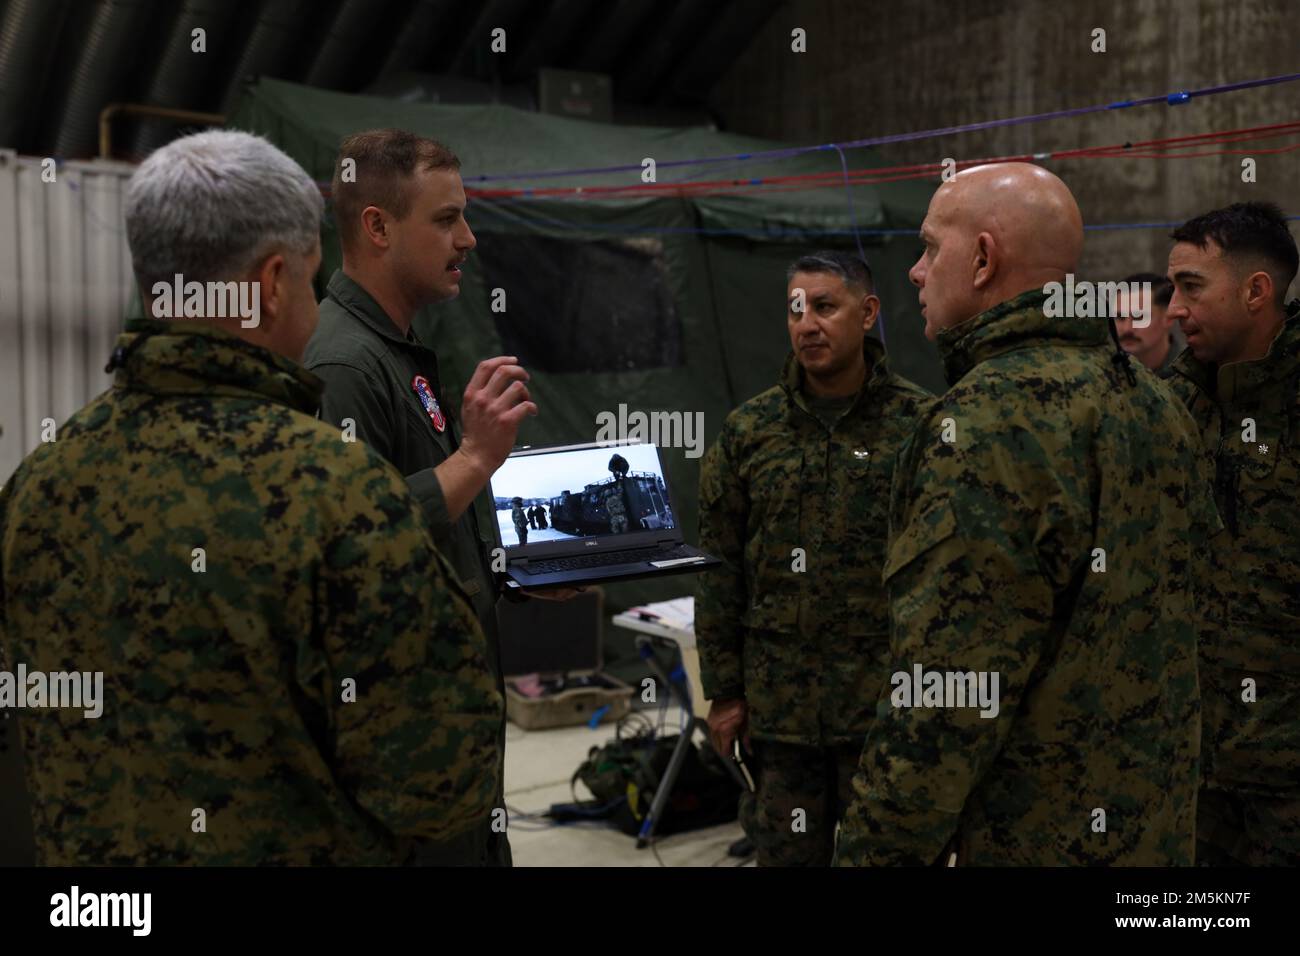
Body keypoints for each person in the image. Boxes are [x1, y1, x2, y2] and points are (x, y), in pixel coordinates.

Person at [0, 130, 502, 865]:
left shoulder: (35, 488)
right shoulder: (339, 493)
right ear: (272, 284)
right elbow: (438, 782)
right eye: (308, 278)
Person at [835, 163, 1216, 866]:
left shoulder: (980, 425)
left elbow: (943, 703)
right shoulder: (1158, 403)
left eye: (929, 249)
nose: (916, 273)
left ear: (982, 259)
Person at [304, 128, 570, 865]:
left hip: (448, 739)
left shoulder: (395, 352)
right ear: (379, 227)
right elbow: (352, 550)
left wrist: (508, 574)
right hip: (402, 753)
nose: (468, 237)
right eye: (446, 219)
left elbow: (423, 539)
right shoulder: (344, 363)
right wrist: (477, 456)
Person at [696, 250, 932, 865]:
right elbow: (720, 568)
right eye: (796, 310)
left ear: (868, 313)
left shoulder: (921, 425)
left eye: (825, 306)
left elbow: (944, 577)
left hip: (883, 710)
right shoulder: (751, 432)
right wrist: (724, 692)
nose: (807, 324)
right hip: (780, 717)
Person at [1163, 200, 1300, 866]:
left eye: (1191, 288)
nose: (1171, 310)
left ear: (1256, 291)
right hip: (1192, 769)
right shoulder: (1172, 408)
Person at [1114, 271, 1183, 375]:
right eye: (1120, 317)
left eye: (1139, 317)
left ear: (1169, 318)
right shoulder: (1100, 374)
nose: (1127, 328)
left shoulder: (1195, 377)